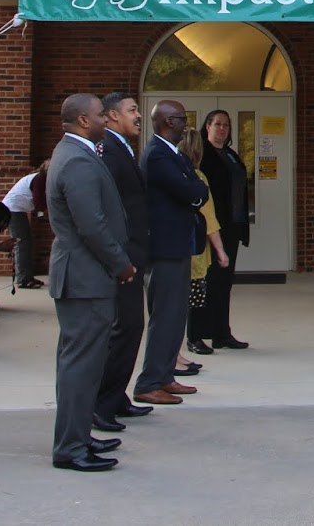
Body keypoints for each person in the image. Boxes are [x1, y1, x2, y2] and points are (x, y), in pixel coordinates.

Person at [46, 93, 135, 473]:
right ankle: (70, 447)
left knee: (84, 365)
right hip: (85, 278)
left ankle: (79, 436)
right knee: (80, 366)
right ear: (84, 120)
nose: (107, 118)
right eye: (101, 114)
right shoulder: (77, 160)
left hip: (86, 277)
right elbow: (91, 225)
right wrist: (121, 264)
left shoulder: (77, 153)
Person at [135, 100, 211, 406]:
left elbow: (198, 187)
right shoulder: (156, 155)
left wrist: (193, 191)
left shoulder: (174, 153)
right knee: (164, 315)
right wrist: (193, 192)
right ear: (168, 121)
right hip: (164, 247)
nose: (186, 124)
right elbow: (191, 191)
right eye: (182, 119)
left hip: (178, 245)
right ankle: (149, 381)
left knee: (177, 314)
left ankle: (165, 376)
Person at [95, 91, 153, 431]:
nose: (138, 115)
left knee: (131, 327)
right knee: (125, 328)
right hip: (122, 257)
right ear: (113, 116)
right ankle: (102, 403)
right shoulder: (110, 152)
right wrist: (119, 259)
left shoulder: (123, 150)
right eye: (132, 110)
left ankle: (117, 397)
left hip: (133, 253)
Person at [202, 109, 253, 349]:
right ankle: (198, 335)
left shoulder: (230, 155)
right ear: (207, 126)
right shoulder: (202, 154)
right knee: (207, 282)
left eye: (226, 125)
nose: (222, 129)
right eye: (218, 124)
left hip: (231, 227)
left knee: (224, 282)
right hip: (210, 228)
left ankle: (222, 332)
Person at [185, 122, 230, 356]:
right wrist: (221, 252)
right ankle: (194, 338)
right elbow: (209, 218)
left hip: (175, 248)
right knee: (196, 297)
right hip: (195, 248)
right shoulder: (198, 177)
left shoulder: (173, 174)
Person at [2, 169, 44, 290]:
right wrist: (43, 214)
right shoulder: (39, 179)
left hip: (17, 210)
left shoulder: (38, 178)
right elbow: (38, 201)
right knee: (22, 244)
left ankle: (27, 276)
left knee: (27, 242)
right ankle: (23, 279)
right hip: (12, 210)